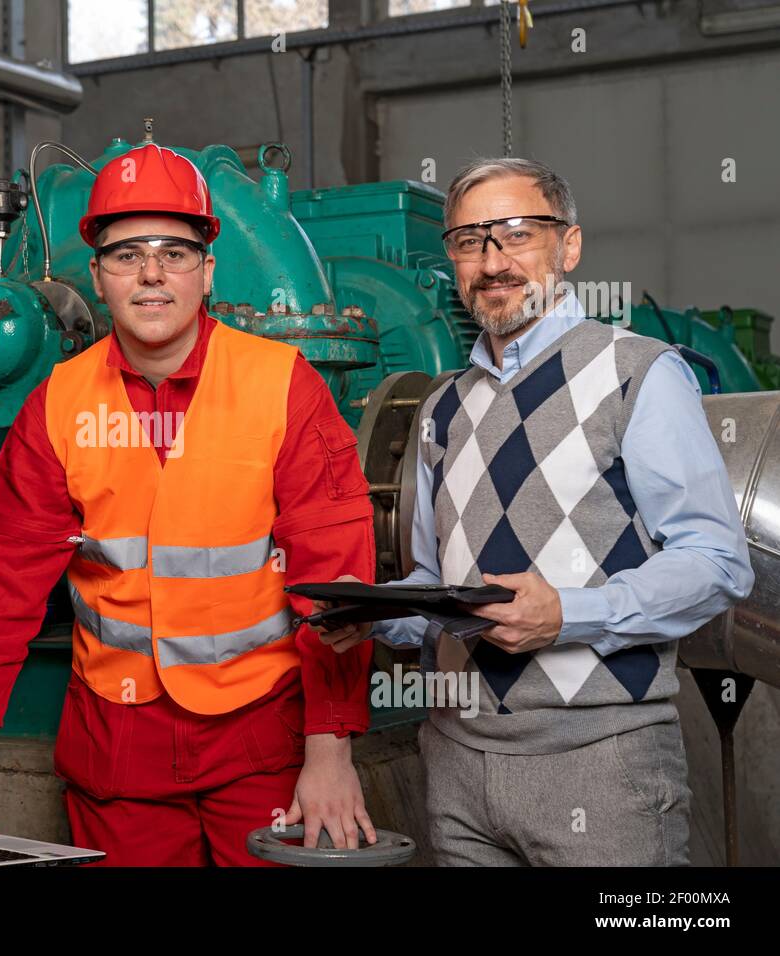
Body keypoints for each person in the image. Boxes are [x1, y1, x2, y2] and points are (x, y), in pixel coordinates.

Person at [0, 143, 379, 865]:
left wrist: (331, 755)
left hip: (259, 745)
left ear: (208, 268)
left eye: (174, 251)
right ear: (97, 274)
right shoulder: (59, 405)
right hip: (118, 757)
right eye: (127, 253)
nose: (151, 274)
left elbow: (337, 586)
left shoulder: (283, 386)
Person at [314, 156, 754, 866]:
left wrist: (570, 615)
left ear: (569, 247)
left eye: (517, 233)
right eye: (468, 241)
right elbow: (439, 580)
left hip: (601, 763)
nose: (492, 261)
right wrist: (369, 615)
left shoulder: (637, 373)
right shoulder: (443, 406)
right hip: (456, 765)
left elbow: (717, 561)